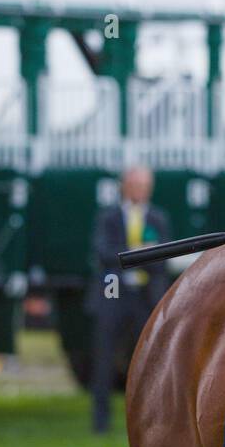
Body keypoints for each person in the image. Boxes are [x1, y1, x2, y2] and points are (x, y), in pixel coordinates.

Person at [88, 165, 171, 433]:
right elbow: (104, 254)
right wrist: (138, 253)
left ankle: (149, 418)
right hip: (114, 296)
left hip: (145, 298)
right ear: (124, 186)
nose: (140, 190)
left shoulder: (158, 218)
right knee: (104, 358)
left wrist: (134, 257)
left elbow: (163, 259)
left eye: (144, 185)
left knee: (150, 359)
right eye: (135, 185)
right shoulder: (109, 217)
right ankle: (100, 422)